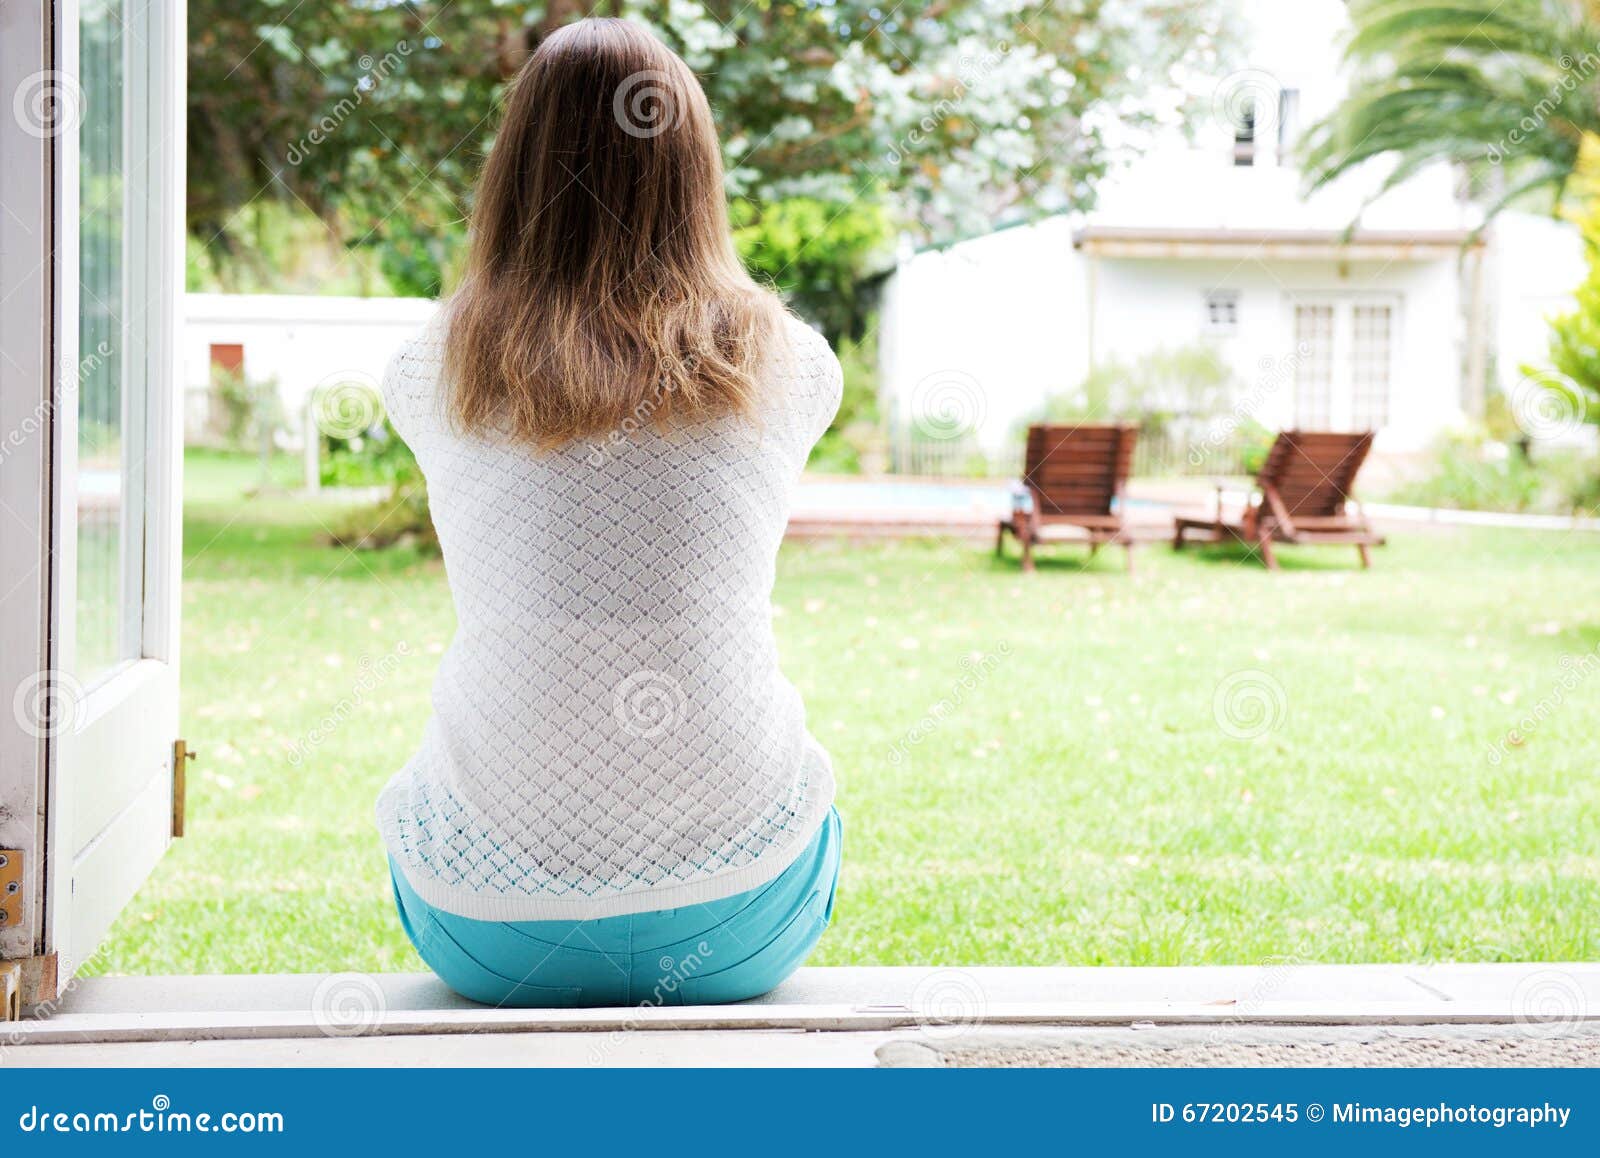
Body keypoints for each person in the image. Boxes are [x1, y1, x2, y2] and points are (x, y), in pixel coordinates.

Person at [375, 16, 842, 1008]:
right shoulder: (792, 361)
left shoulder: (430, 362)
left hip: (486, 931)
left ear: (515, 166)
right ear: (694, 171)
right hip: (740, 919)